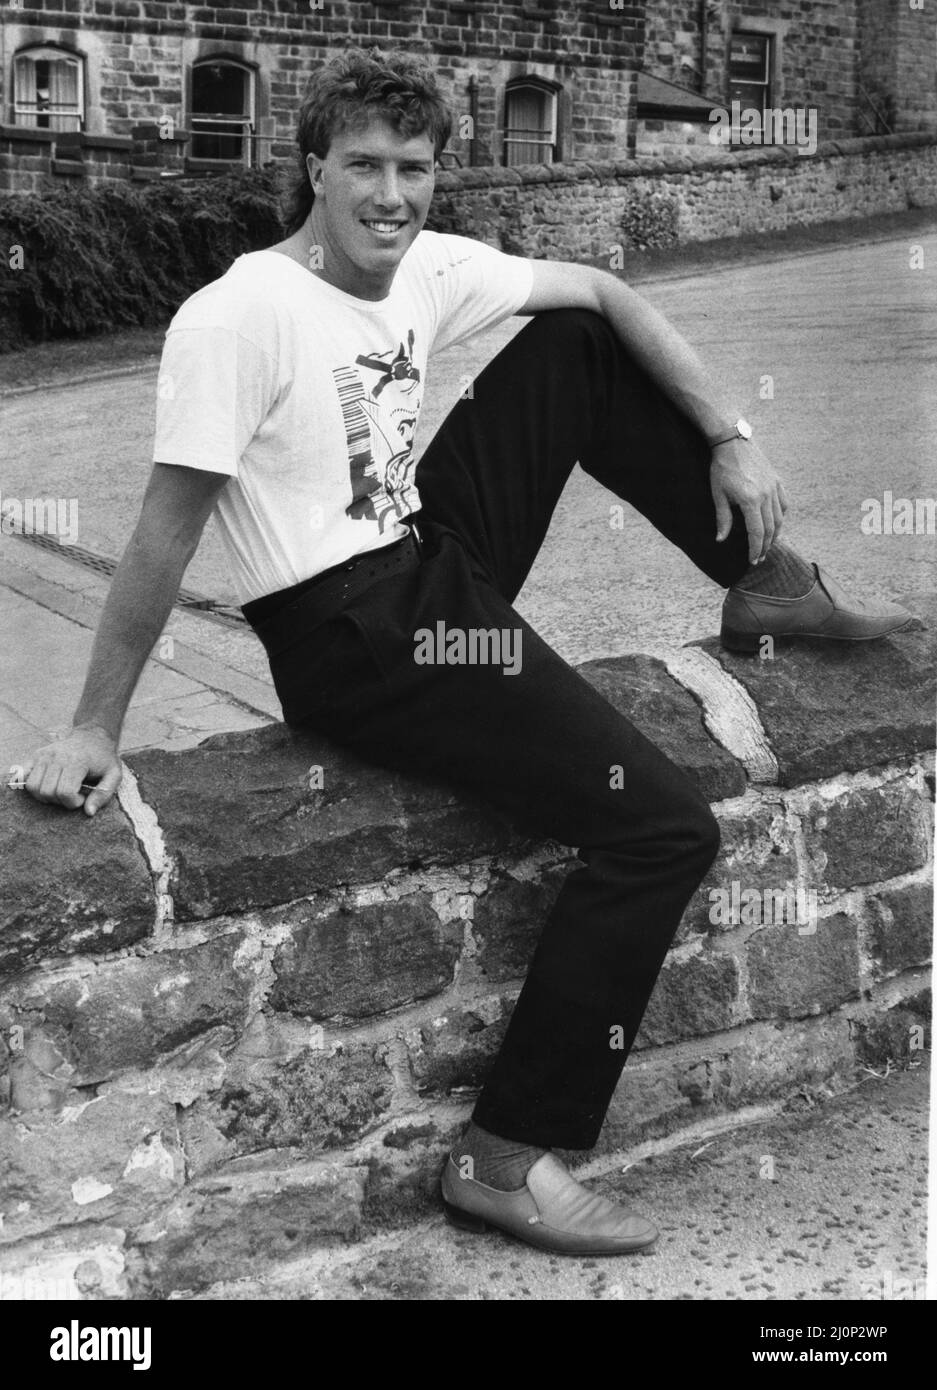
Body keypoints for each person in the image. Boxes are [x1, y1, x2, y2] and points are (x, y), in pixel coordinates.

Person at [22, 48, 913, 1257]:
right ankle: (505, 1155)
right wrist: (94, 726)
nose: (391, 196)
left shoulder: (428, 264)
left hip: (424, 555)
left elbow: (601, 287)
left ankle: (767, 586)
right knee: (660, 825)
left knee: (576, 345)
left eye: (415, 169)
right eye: (364, 169)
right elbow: (158, 539)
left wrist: (729, 431)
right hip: (353, 631)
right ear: (313, 172)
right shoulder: (237, 316)